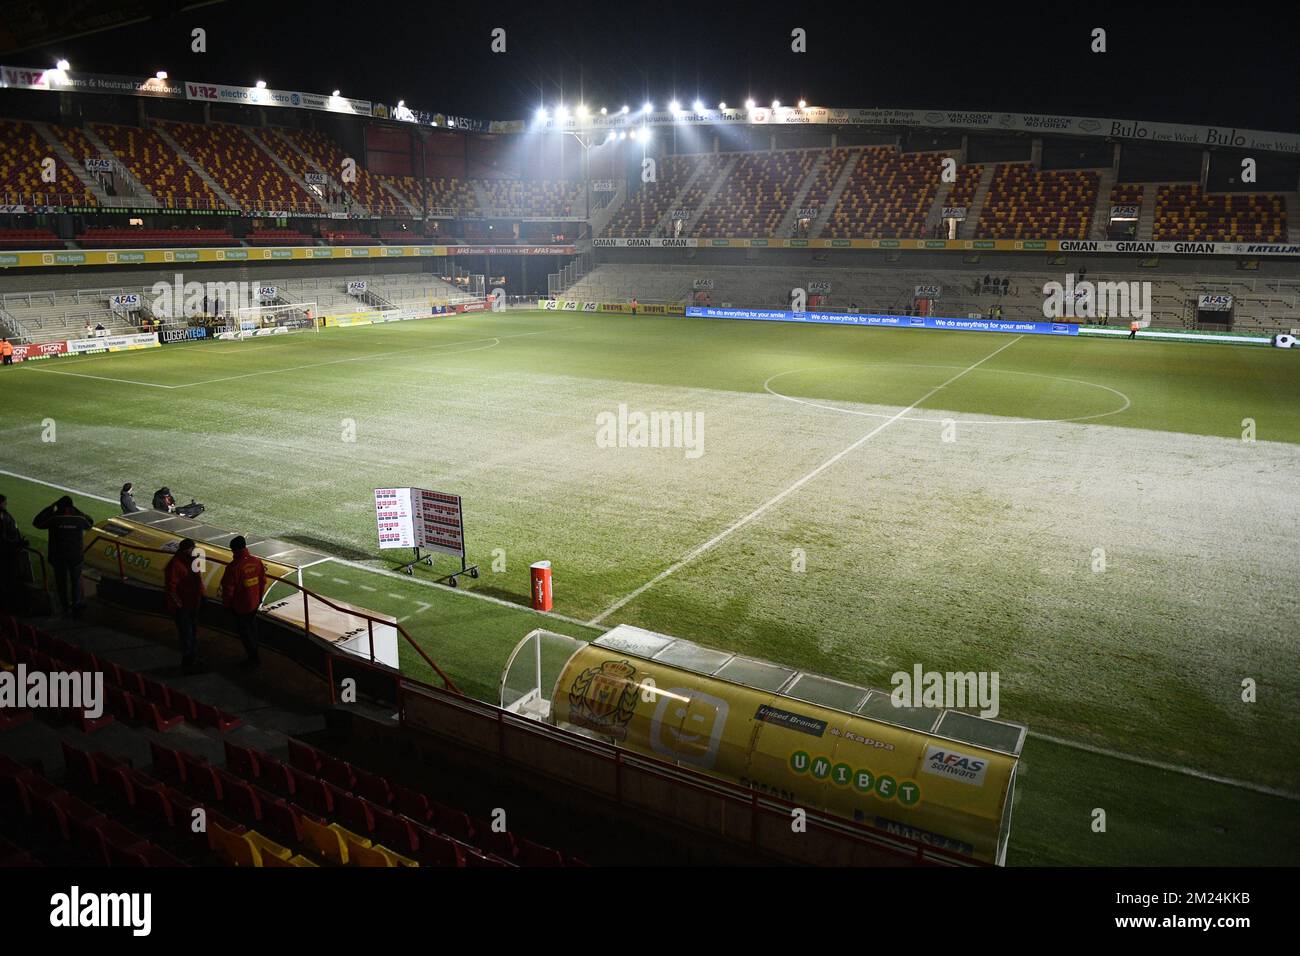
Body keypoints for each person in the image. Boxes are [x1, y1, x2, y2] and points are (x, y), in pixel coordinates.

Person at [32, 495, 94, 617]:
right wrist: (76, 510)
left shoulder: (54, 519)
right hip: (75, 555)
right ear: (70, 507)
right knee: (75, 580)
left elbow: (37, 522)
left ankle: (64, 606)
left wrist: (50, 508)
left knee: (61, 582)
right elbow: (90, 523)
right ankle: (76, 604)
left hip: (58, 555)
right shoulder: (78, 519)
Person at [221, 536, 266, 667]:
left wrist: (227, 605)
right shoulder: (257, 562)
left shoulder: (233, 567)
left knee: (245, 633)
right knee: (252, 629)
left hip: (240, 606)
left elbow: (228, 589)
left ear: (233, 550)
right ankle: (255, 655)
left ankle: (253, 659)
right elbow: (262, 581)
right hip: (254, 603)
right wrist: (259, 598)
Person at [166, 538, 205, 670]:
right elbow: (171, 588)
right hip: (183, 607)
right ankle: (188, 662)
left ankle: (193, 658)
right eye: (192, 548)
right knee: (186, 634)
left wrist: (202, 595)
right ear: (186, 549)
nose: (194, 550)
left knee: (192, 632)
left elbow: (198, 580)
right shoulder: (175, 564)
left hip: (193, 604)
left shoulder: (192, 561)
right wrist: (179, 605)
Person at [0, 494, 27, 613]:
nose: (6, 505)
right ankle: (9, 606)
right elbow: (2, 538)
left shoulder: (4, 515)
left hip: (9, 552)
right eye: (4, 503)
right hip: (8, 554)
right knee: (10, 578)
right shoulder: (1, 516)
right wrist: (17, 544)